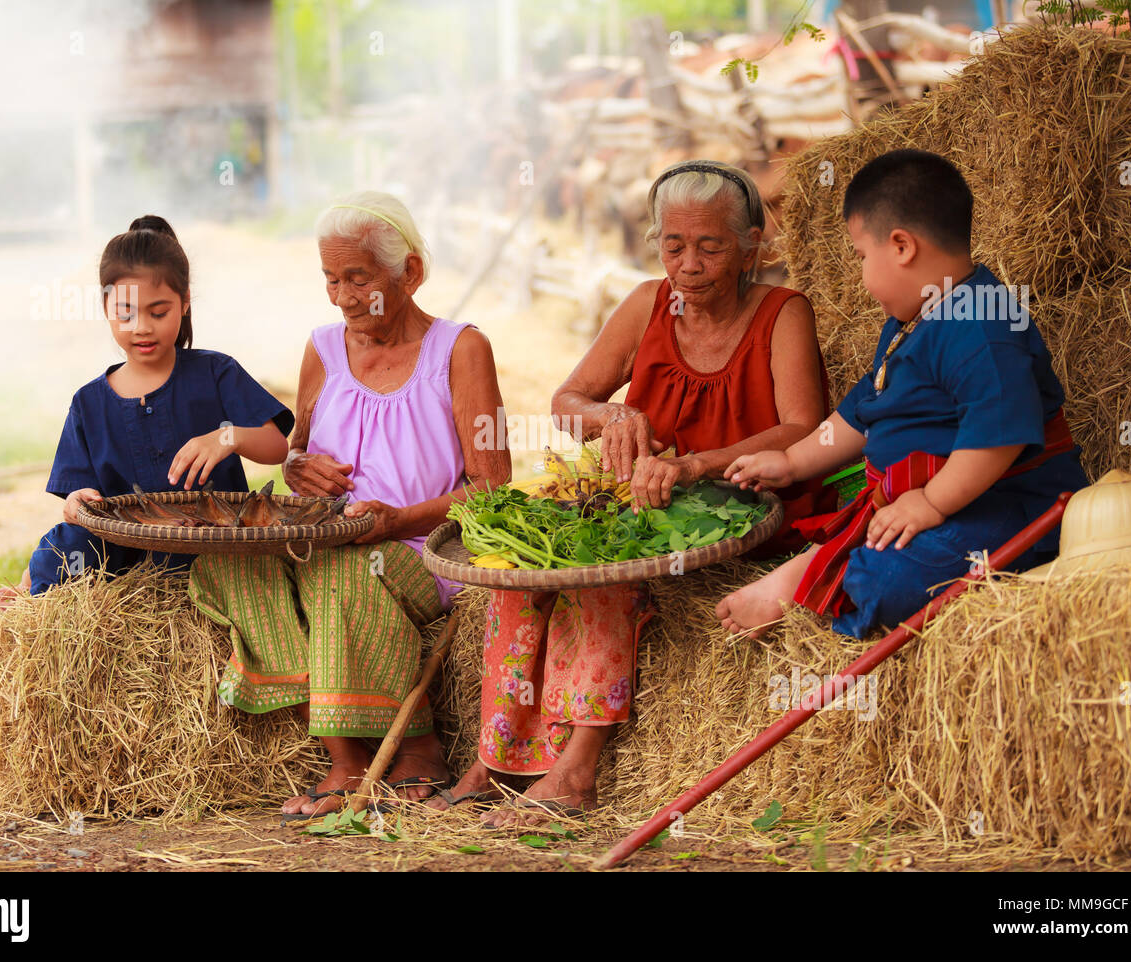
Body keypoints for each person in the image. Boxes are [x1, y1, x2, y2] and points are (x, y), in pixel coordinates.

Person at [431, 160, 833, 825]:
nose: (688, 263)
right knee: (521, 576)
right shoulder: (648, 304)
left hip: (732, 509)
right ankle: (495, 758)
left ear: (752, 247)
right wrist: (612, 417)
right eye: (674, 245)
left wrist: (695, 466)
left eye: (710, 246)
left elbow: (801, 427)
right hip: (640, 507)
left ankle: (576, 772)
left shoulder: (783, 313)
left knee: (605, 579)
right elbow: (567, 402)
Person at [187, 192, 510, 818]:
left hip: (421, 549)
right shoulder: (323, 349)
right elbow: (297, 452)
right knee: (228, 564)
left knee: (345, 571)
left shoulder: (461, 350)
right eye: (331, 279)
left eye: (358, 278)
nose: (341, 297)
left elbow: (493, 489)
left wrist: (395, 521)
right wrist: (294, 466)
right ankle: (352, 745)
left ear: (409, 273)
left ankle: (406, 747)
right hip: (325, 537)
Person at [715, 149, 1089, 639]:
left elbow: (996, 437)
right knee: (871, 536)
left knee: (890, 583)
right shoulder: (911, 324)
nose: (863, 276)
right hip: (939, 502)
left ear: (901, 247)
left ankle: (808, 578)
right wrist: (792, 462)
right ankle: (814, 566)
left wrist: (931, 503)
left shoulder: (981, 326)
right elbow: (862, 412)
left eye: (862, 257)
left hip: (1008, 508)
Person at [0, 215, 292, 606]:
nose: (142, 328)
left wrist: (227, 437)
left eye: (159, 311)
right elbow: (79, 496)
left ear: (184, 303)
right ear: (105, 307)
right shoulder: (88, 403)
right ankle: (36, 596)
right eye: (126, 312)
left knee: (216, 560)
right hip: (127, 556)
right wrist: (77, 501)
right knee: (68, 542)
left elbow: (276, 447)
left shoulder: (216, 372)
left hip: (213, 543)